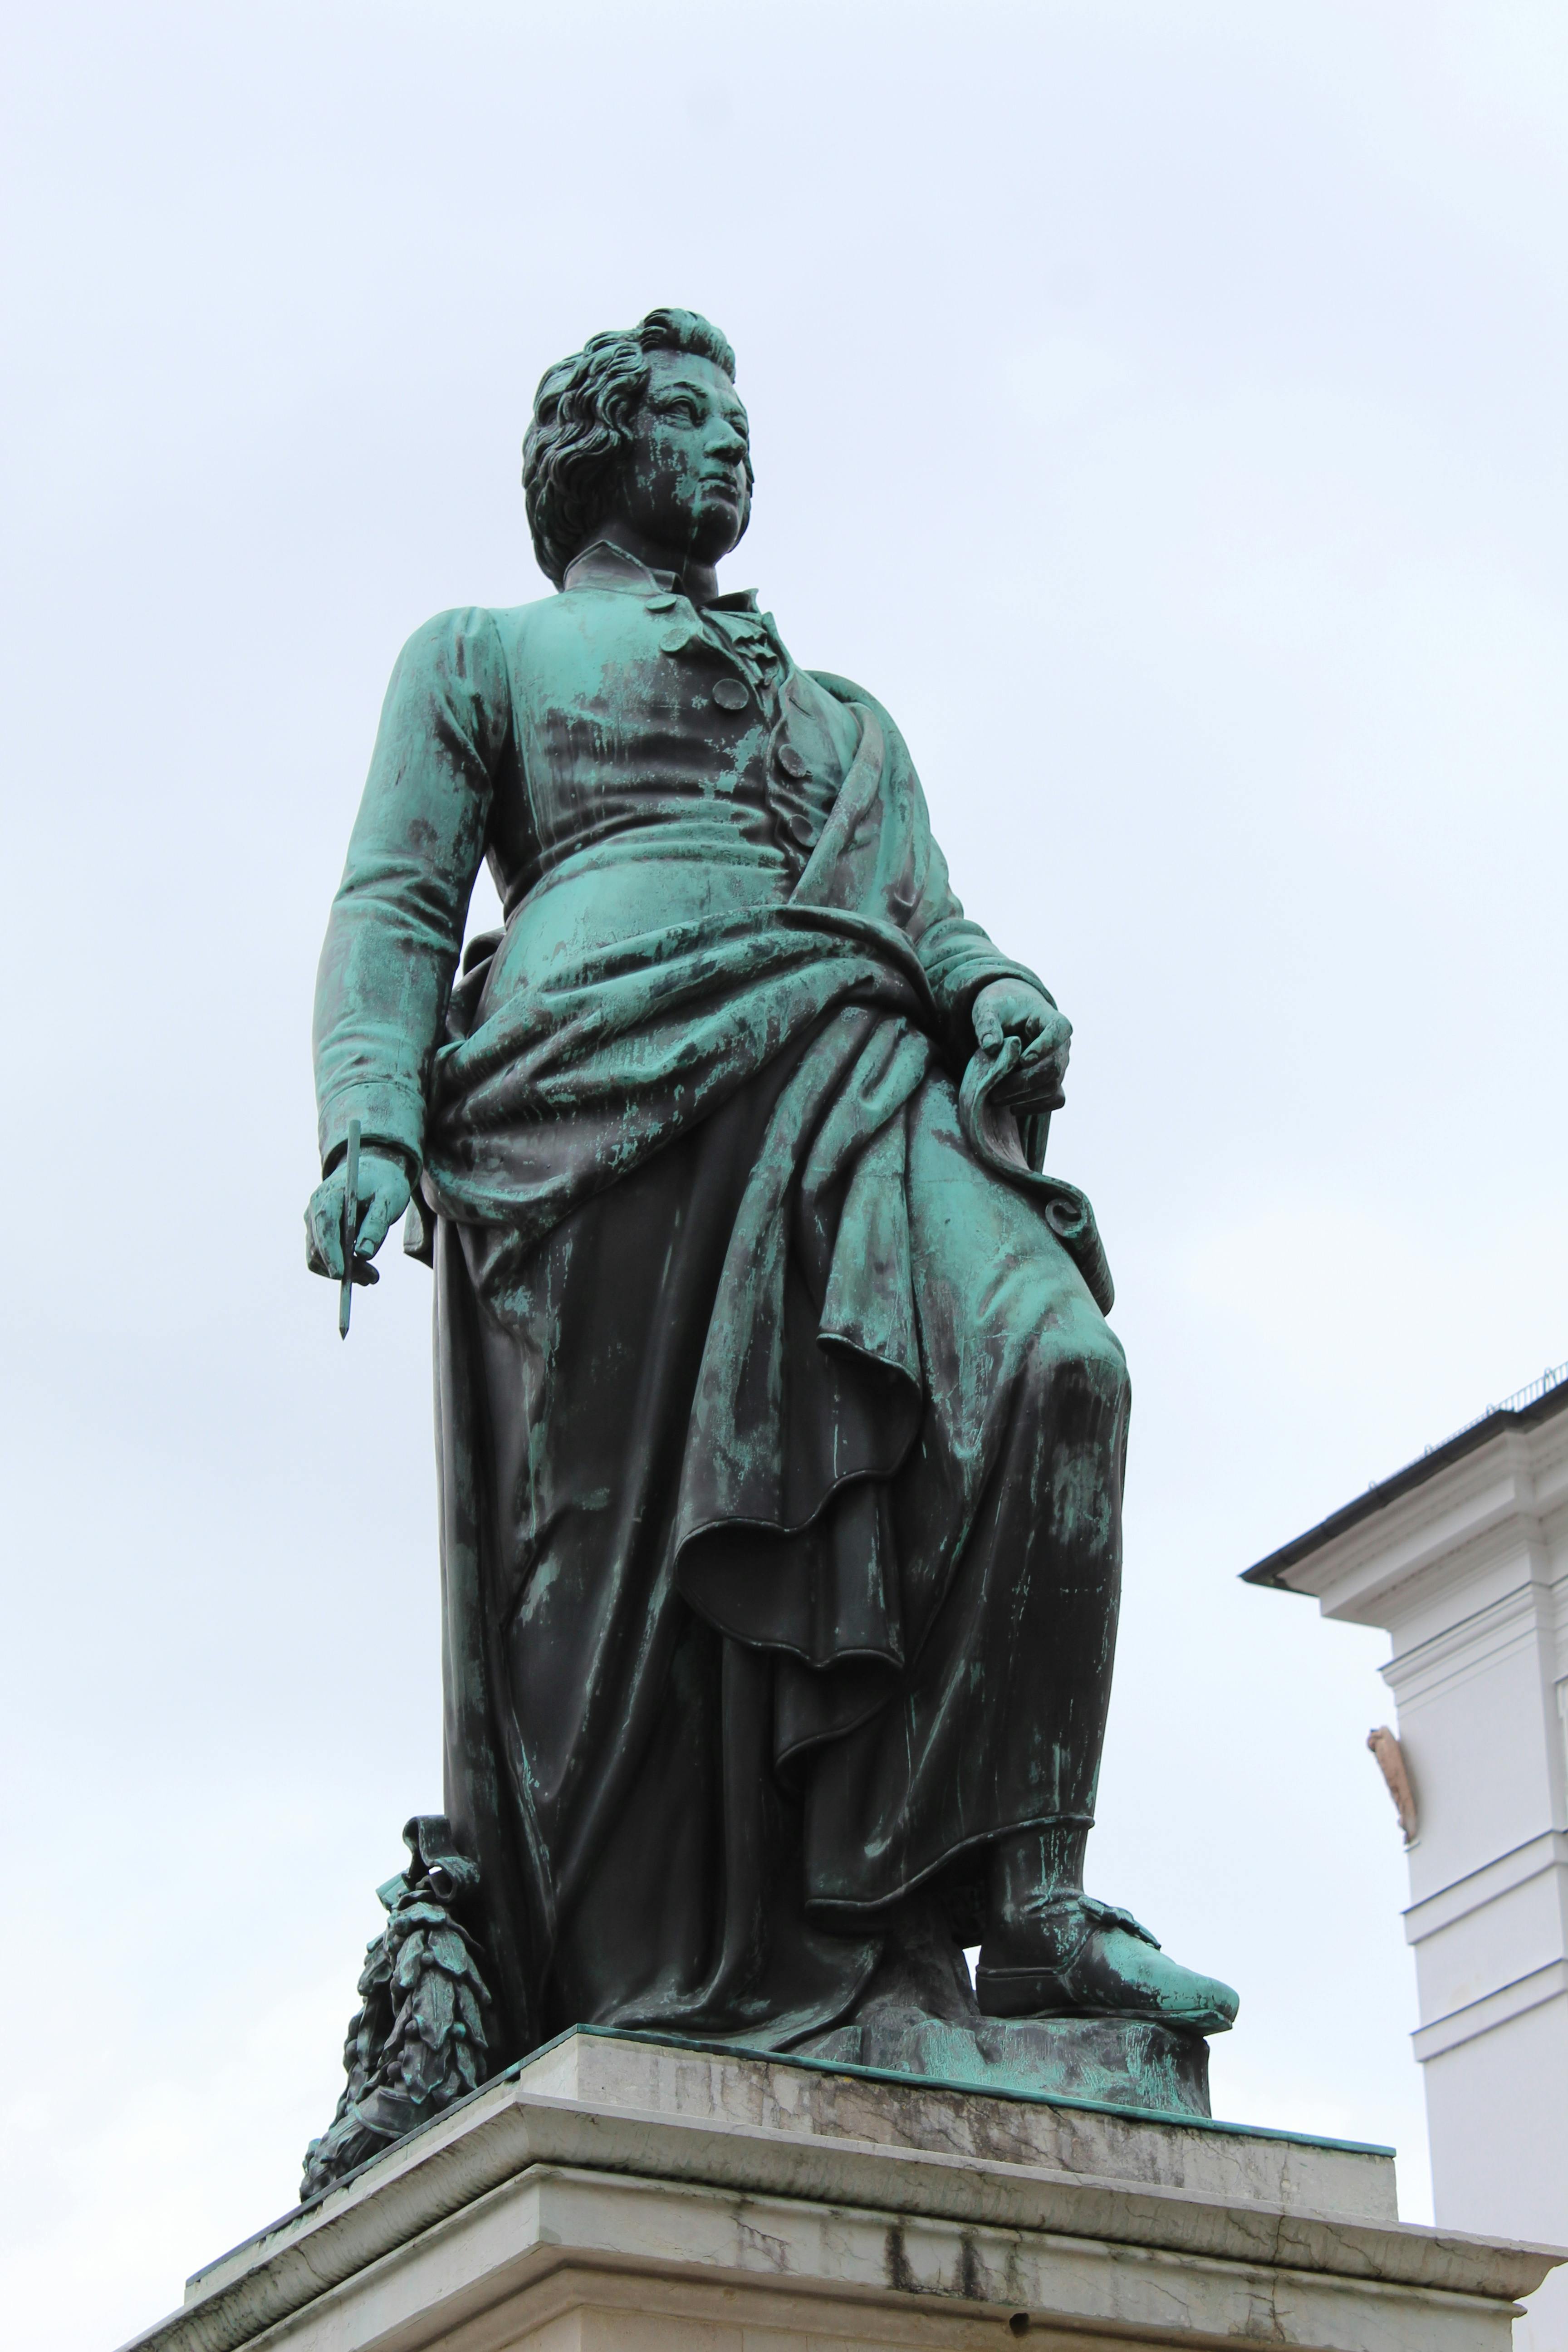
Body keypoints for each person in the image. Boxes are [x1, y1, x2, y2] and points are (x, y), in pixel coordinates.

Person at [306, 307, 1237, 2064]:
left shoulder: (839, 714)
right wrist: (368, 1111)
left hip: (859, 1076)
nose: (731, 445)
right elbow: (398, 900)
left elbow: (928, 912)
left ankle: (1025, 1902)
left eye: (740, 417)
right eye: (684, 412)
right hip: (588, 1116)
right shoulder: (482, 654)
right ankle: (683, 1944)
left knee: (1057, 1371)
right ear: (593, 450)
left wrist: (990, 986)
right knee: (633, 1590)